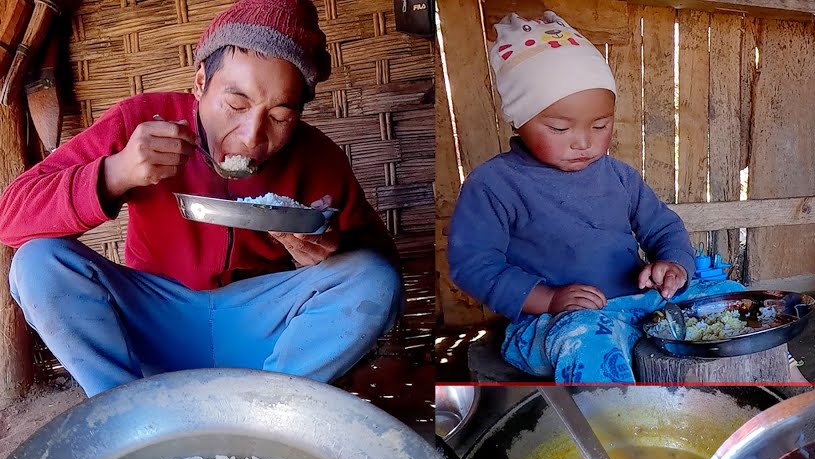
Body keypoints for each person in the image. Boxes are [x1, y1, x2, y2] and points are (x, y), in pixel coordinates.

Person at [0, 0, 402, 397]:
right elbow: (9, 218)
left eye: (280, 116)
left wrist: (331, 249)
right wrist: (114, 173)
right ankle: (125, 410)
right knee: (36, 262)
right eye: (236, 104)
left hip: (261, 336)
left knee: (373, 277)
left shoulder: (319, 159)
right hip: (154, 328)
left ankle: (270, 409)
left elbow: (381, 268)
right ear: (199, 84)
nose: (252, 135)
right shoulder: (143, 120)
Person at [446, 11, 741, 383]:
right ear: (519, 120)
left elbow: (663, 227)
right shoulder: (494, 184)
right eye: (559, 127)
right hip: (555, 324)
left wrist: (673, 264)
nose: (583, 141)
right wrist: (549, 299)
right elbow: (472, 264)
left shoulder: (619, 176)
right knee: (588, 341)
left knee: (730, 295)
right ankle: (623, 423)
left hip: (641, 307)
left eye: (600, 125)